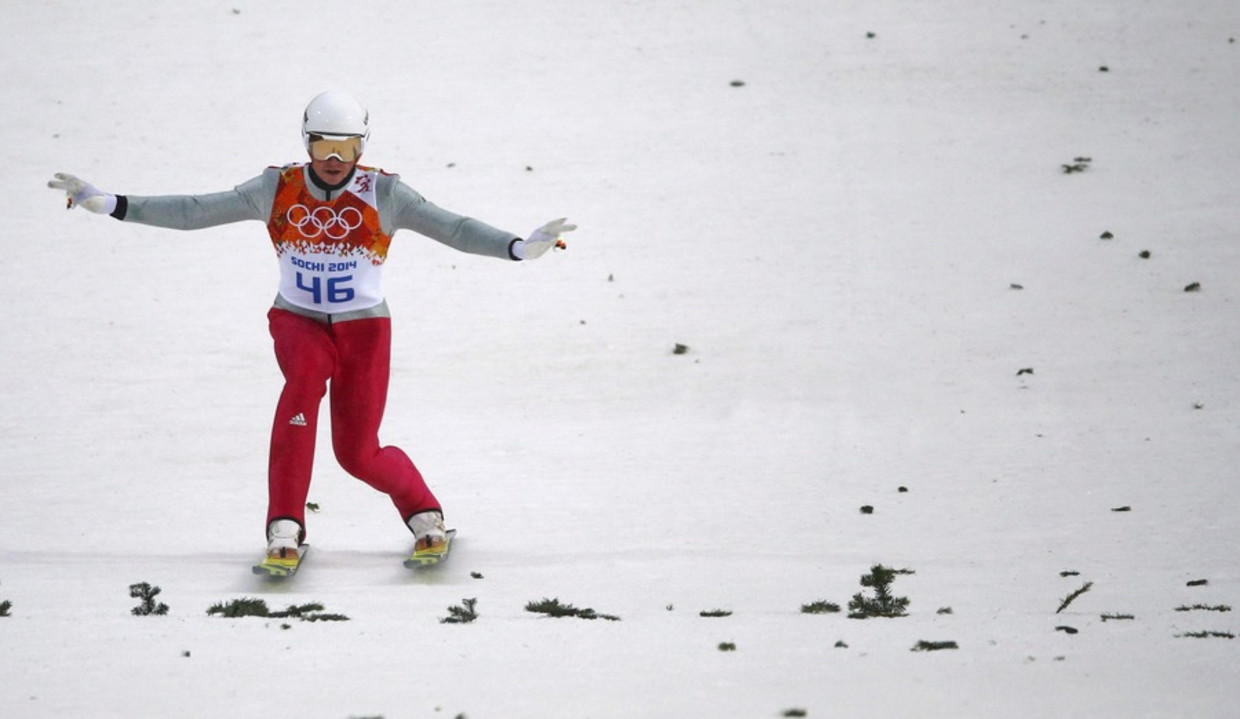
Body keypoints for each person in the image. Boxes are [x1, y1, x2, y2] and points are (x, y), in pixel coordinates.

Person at [48, 90, 575, 564]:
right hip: (297, 321)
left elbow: (452, 227)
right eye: (323, 145)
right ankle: (285, 524)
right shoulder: (276, 187)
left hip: (364, 330)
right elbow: (195, 211)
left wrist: (516, 248)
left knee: (358, 452)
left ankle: (424, 514)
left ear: (362, 149)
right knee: (302, 382)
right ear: (306, 142)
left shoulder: (384, 194)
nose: (332, 160)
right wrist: (112, 205)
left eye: (345, 149)